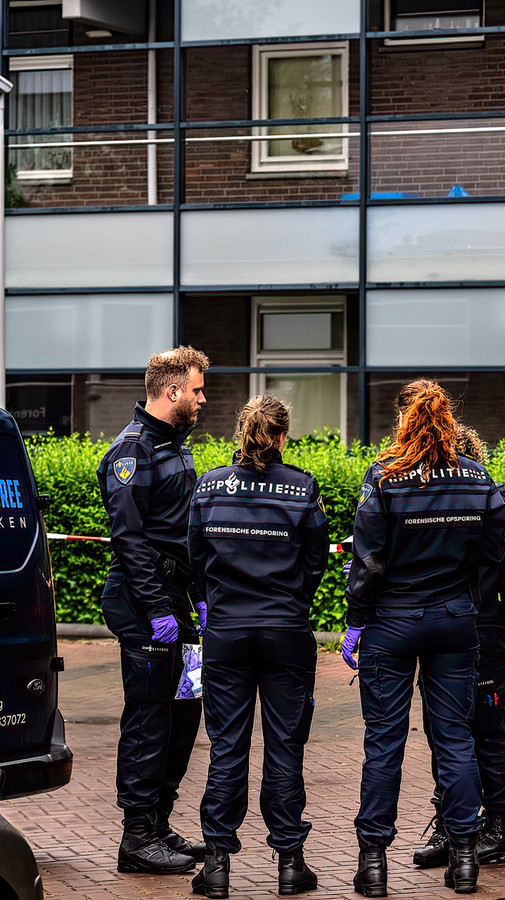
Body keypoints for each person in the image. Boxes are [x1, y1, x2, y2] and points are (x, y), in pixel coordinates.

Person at [341, 379, 505, 896]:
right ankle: (465, 860)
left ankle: (373, 866)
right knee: (454, 739)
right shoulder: (477, 477)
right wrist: (468, 590)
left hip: (392, 622)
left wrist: (356, 621)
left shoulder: (384, 476)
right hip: (454, 621)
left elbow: (368, 558)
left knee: (384, 744)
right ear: (449, 420)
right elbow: (497, 549)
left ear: (405, 419)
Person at [187, 396, 329, 899]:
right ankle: (290, 864)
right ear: (284, 435)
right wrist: (291, 600)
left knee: (226, 747)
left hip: (226, 632)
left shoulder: (208, 486)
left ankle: (218, 865)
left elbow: (195, 557)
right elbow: (316, 560)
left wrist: (214, 604)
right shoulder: (301, 486)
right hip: (286, 633)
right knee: (285, 746)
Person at [411, 423, 505, 872]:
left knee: (488, 732)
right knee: (443, 732)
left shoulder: (495, 496)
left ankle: (500, 830)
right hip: (439, 628)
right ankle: (455, 827)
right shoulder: (432, 496)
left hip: (482, 629)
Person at [98, 346, 210, 875]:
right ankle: (136, 838)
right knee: (149, 718)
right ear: (172, 392)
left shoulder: (176, 447)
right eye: (196, 389)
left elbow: (183, 534)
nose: (202, 397)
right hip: (145, 608)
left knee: (186, 711)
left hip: (180, 607)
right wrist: (157, 607)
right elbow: (130, 541)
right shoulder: (132, 452)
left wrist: (201, 596)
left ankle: (160, 822)